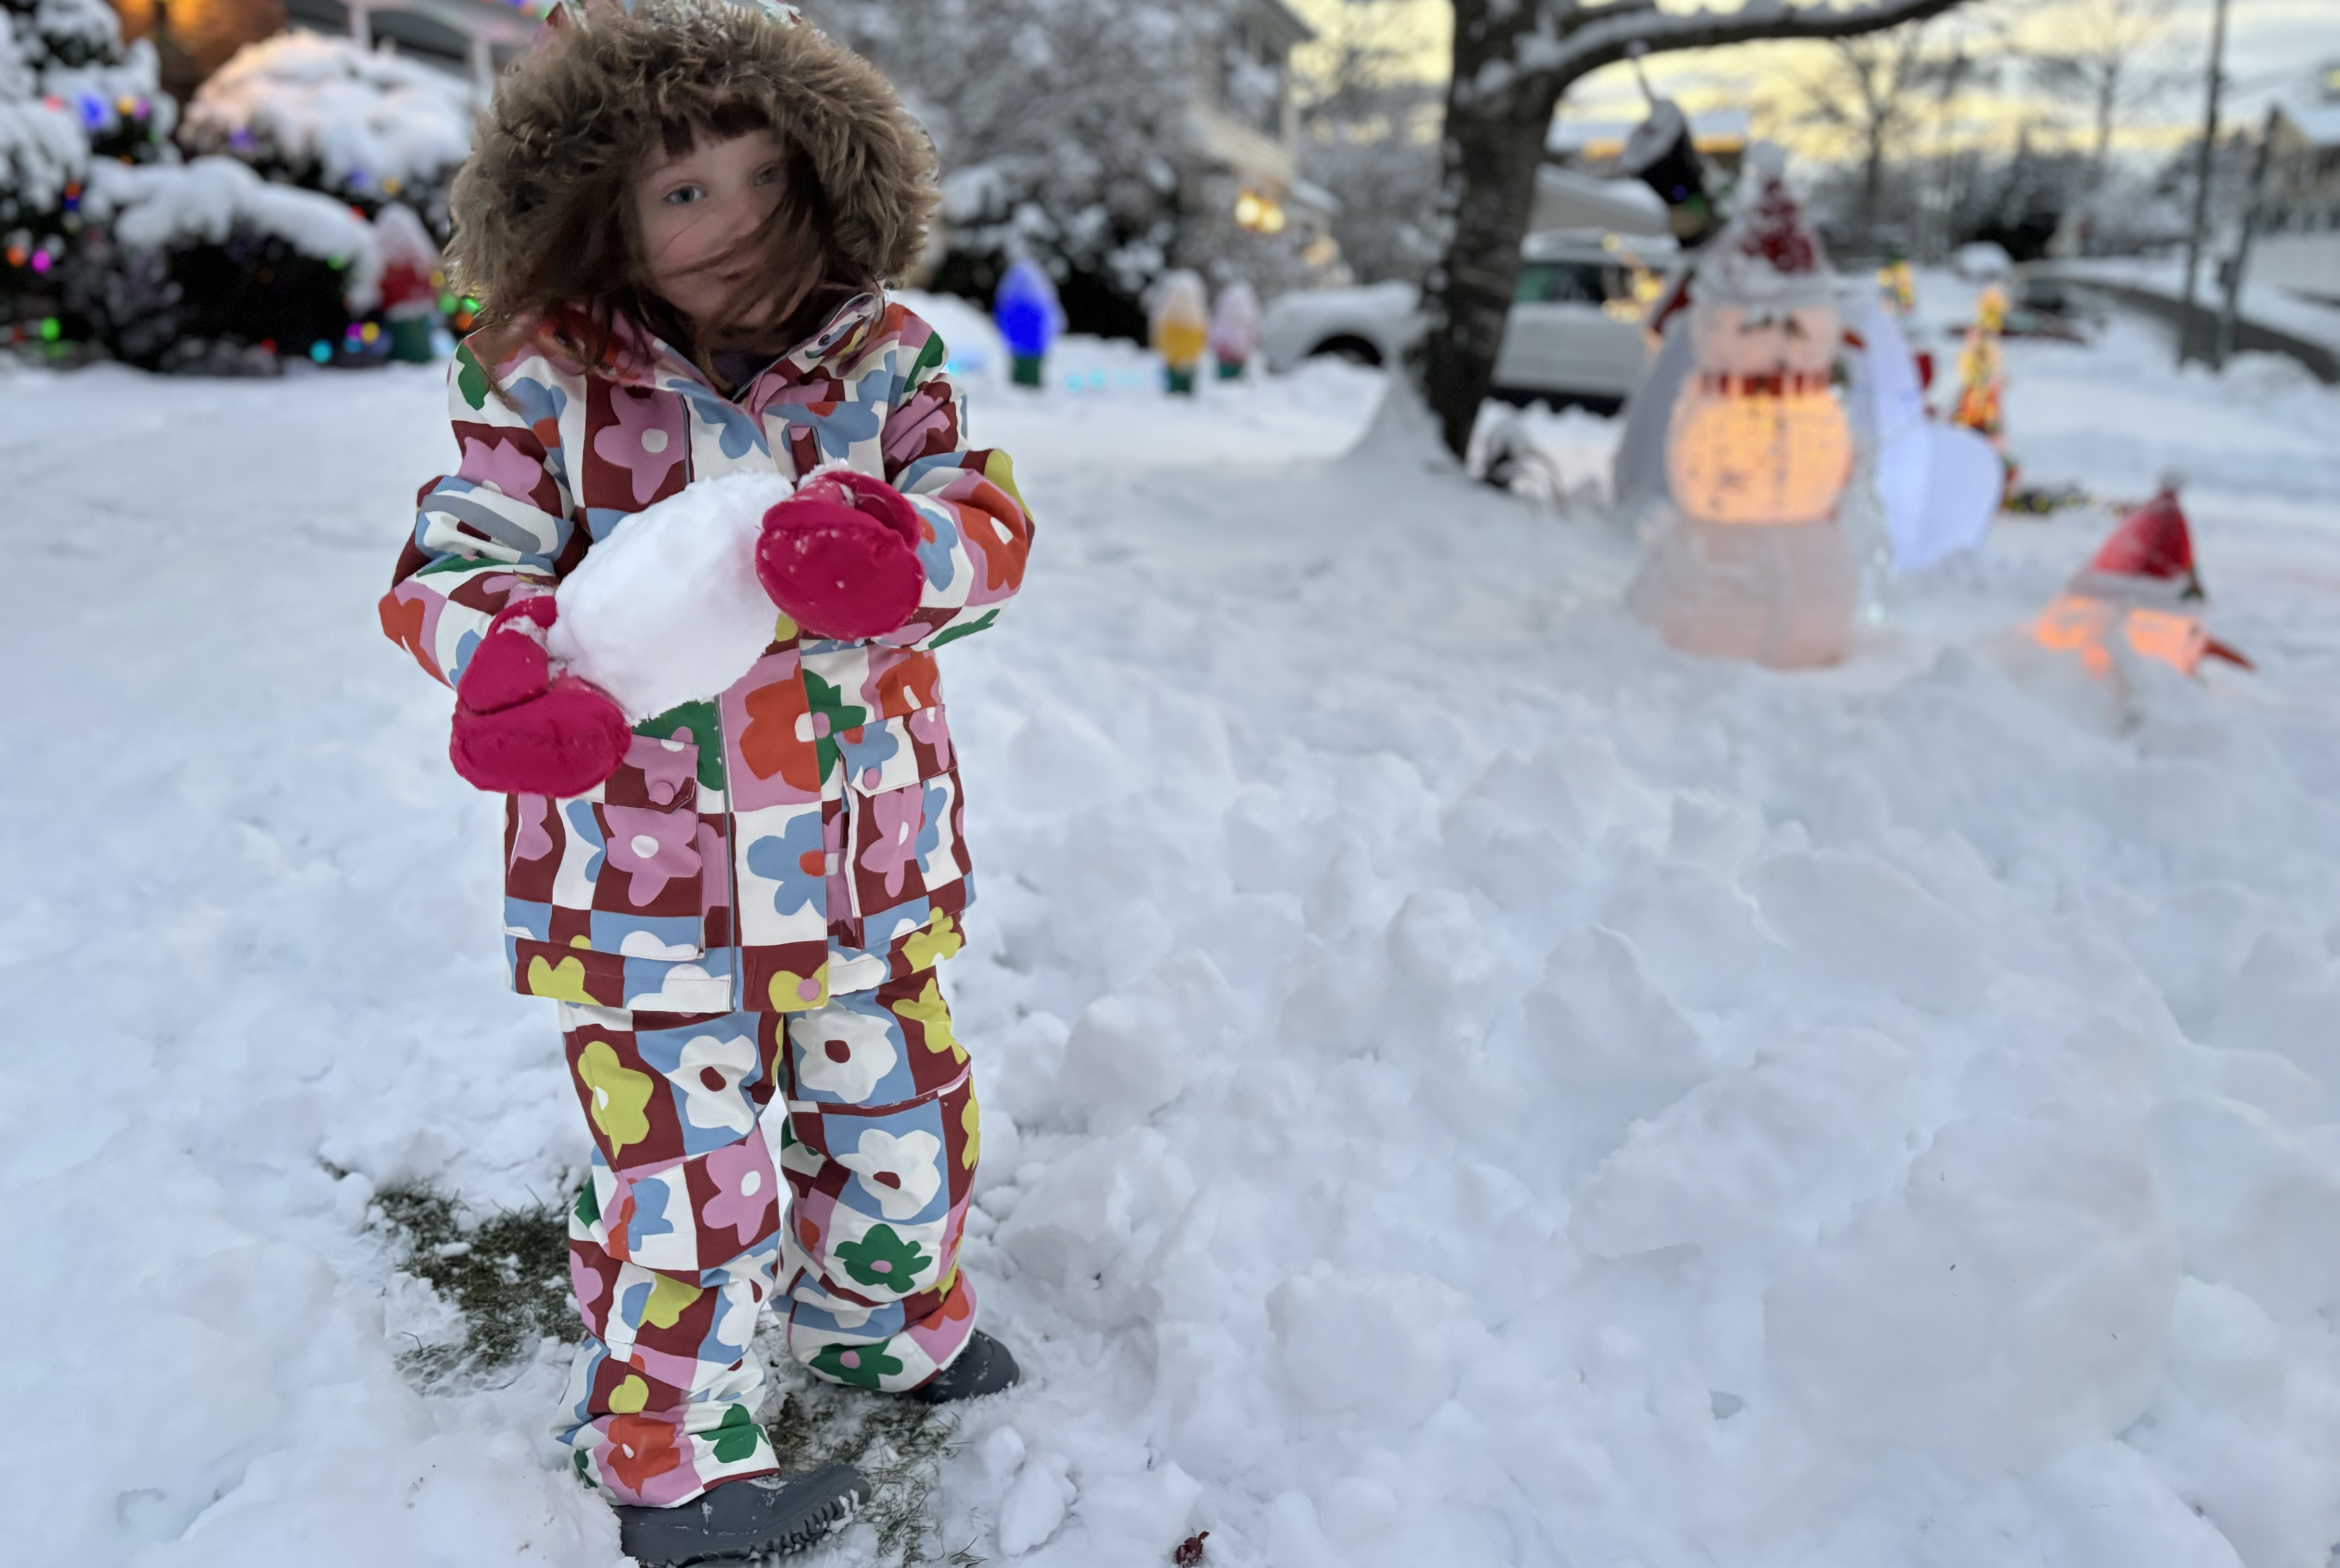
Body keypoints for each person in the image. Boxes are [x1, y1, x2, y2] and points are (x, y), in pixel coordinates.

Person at [375, 2, 1034, 1559]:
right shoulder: (545, 383)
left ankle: (884, 1319)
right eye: (683, 193)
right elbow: (451, 557)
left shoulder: (887, 360)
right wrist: (506, 657)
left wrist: (907, 556)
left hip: (864, 854)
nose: (736, 219)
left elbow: (985, 523)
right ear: (599, 215)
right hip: (640, 888)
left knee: (904, 1107)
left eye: (765, 178)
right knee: (693, 1175)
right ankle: (672, 1451)